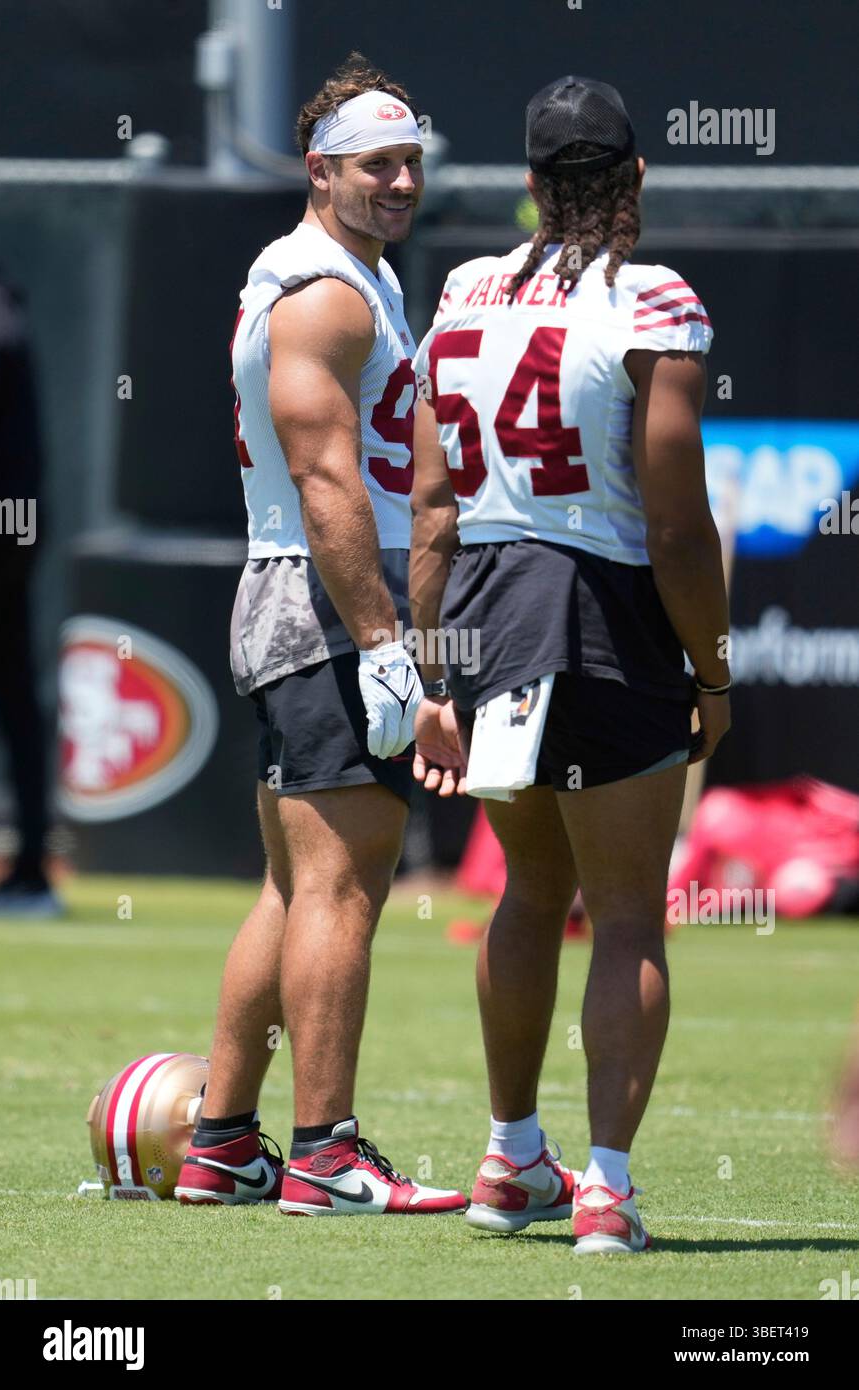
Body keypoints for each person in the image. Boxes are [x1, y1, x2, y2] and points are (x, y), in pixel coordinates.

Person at [409, 75, 731, 1251]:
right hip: (598, 607)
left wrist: (433, 672)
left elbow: (434, 504)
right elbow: (676, 525)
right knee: (628, 917)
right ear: (636, 178)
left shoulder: (458, 288)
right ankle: (601, 1185)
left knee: (527, 892)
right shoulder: (653, 296)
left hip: (485, 611)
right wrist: (713, 669)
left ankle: (507, 1158)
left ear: (532, 188)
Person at [175, 54, 466, 1216]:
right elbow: (324, 477)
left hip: (306, 591)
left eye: (409, 161)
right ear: (319, 171)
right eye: (374, 165)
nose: (399, 181)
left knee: (293, 887)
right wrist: (390, 642)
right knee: (343, 887)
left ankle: (223, 1141)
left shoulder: (343, 274)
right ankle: (325, 1152)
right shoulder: (326, 291)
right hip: (327, 597)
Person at [0, 268, 62, 918]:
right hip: (11, 536)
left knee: (16, 702)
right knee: (17, 701)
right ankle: (32, 868)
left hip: (3, 538)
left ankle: (33, 869)